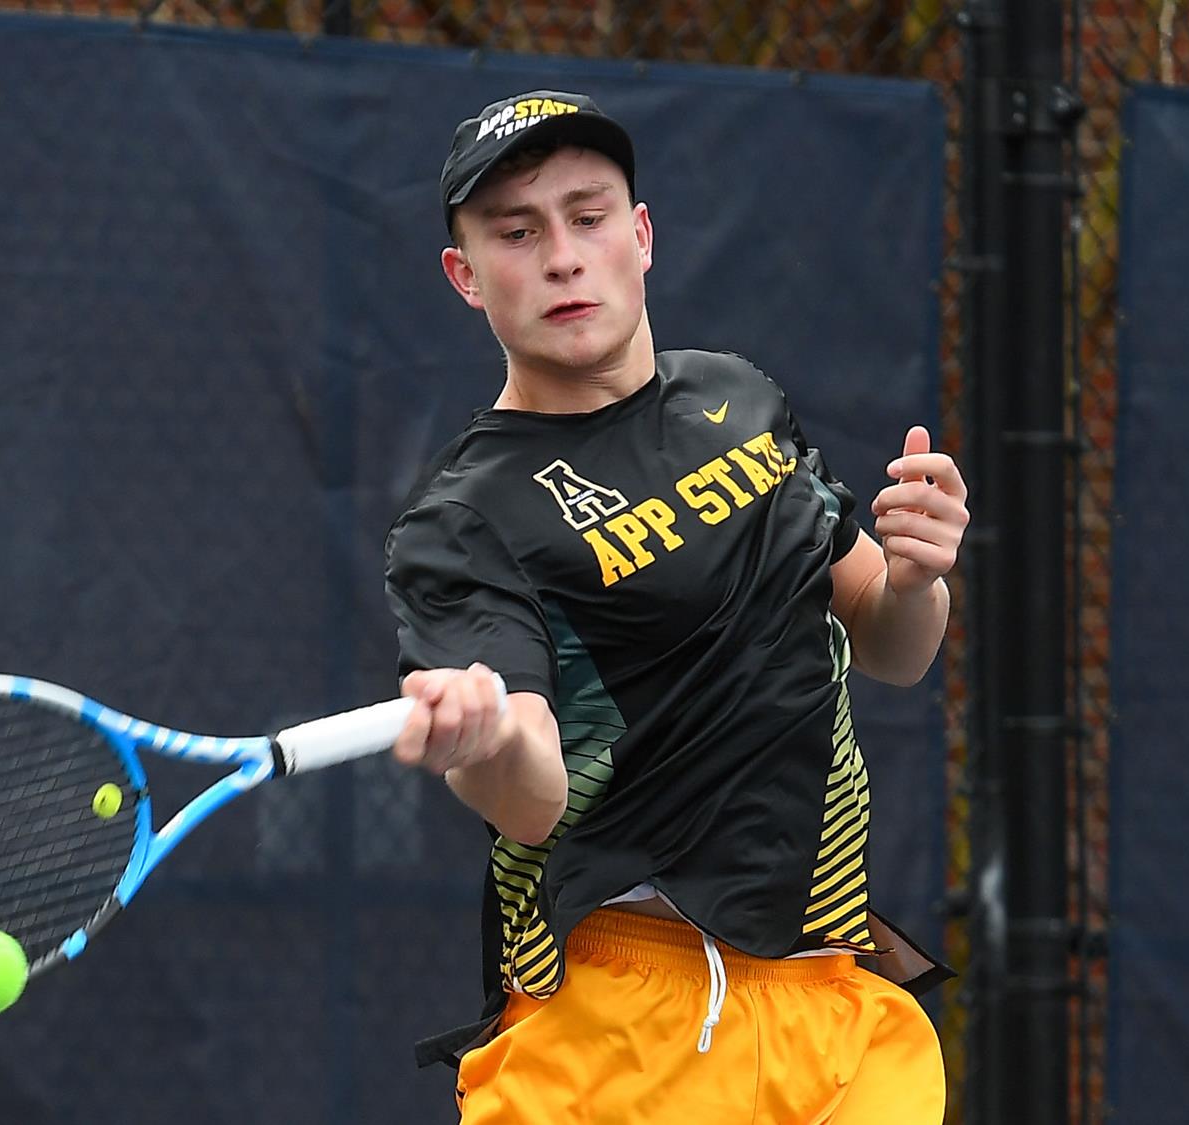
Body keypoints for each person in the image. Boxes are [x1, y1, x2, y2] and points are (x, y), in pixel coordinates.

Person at [384, 89, 968, 1122]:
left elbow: (886, 640)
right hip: (617, 1032)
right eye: (517, 233)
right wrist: (481, 742)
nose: (562, 255)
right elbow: (530, 790)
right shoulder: (462, 521)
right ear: (465, 277)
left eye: (587, 215)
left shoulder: (738, 400)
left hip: (836, 1013)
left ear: (640, 236)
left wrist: (919, 578)